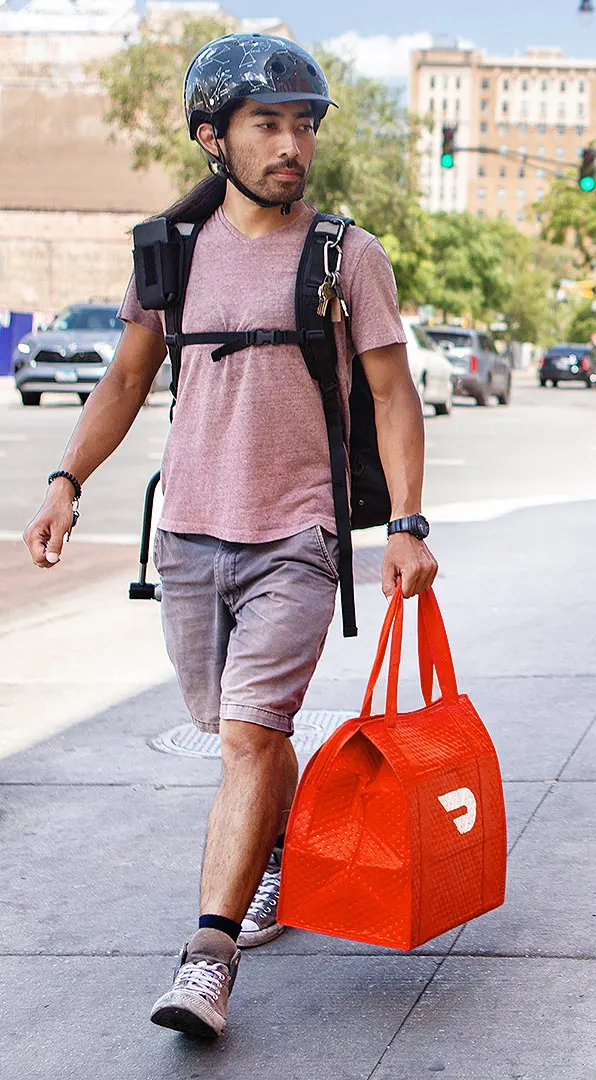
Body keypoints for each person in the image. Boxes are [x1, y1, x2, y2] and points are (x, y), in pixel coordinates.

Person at [22, 33, 438, 1038]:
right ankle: (279, 854)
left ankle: (203, 963)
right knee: (239, 733)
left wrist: (410, 526)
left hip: (297, 536)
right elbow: (124, 379)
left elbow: (393, 393)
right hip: (190, 538)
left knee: (252, 737)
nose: (291, 144)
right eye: (267, 124)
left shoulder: (347, 254)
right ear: (214, 135)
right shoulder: (169, 252)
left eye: (302, 124)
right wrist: (67, 480)